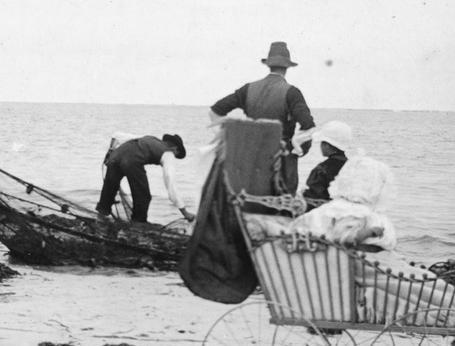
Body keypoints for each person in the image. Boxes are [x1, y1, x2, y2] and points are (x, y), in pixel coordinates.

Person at [210, 41, 316, 194]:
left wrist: (228, 139)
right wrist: (296, 149)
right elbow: (309, 127)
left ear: (268, 65)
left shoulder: (247, 89)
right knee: (282, 205)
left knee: (249, 200)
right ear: (287, 67)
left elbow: (215, 111)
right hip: (281, 163)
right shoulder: (292, 93)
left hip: (250, 160)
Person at [96, 132, 193, 223]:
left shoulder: (149, 138)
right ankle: (137, 224)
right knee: (143, 195)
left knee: (110, 187)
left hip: (115, 156)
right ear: (175, 148)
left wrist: (110, 151)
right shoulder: (169, 154)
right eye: (177, 154)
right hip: (131, 162)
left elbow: (116, 135)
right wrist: (185, 212)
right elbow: (170, 184)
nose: (174, 157)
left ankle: (100, 217)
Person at [302, 120, 352, 206]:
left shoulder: (321, 169)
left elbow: (312, 199)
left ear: (328, 146)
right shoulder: (353, 166)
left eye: (322, 143)